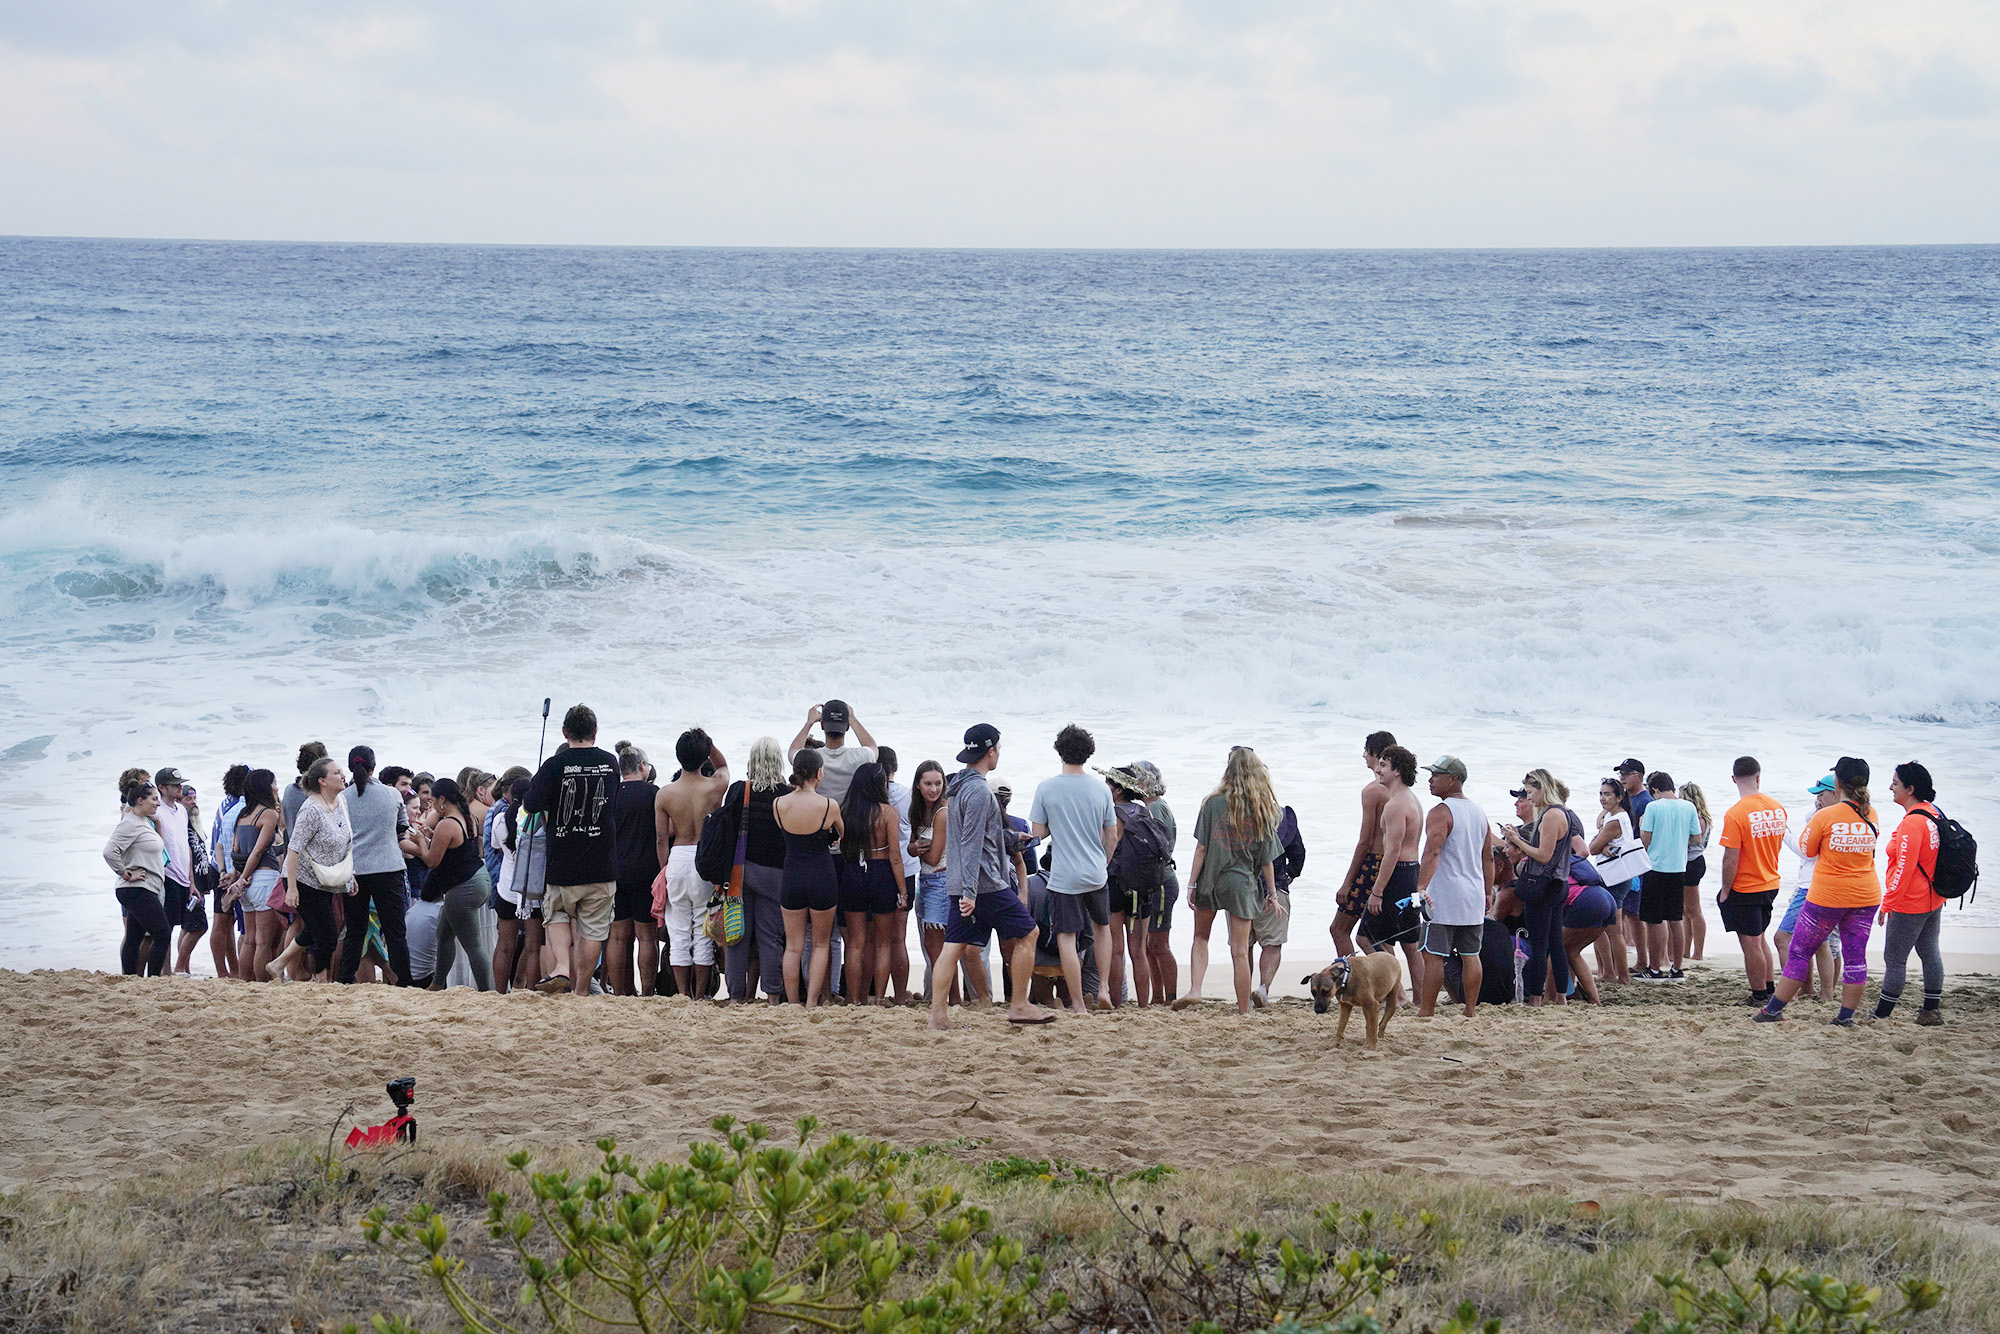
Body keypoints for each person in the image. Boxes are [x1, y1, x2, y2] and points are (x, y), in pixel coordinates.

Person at [928, 724, 1054, 1030]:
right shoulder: (980, 791)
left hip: (960, 881)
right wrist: (971, 892)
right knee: (1029, 933)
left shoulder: (957, 788)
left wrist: (1010, 839)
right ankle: (1020, 1005)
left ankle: (938, 1018)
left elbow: (977, 834)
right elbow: (971, 844)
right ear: (991, 751)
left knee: (953, 945)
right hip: (983, 884)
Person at [1757, 757, 1882, 1026]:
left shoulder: (1824, 815)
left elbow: (1808, 849)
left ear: (1837, 783)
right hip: (1866, 895)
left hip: (1828, 896)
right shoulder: (1871, 814)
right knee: (1855, 957)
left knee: (1800, 952)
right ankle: (1845, 1017)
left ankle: (1773, 1010)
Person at [523, 704, 622, 996]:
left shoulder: (555, 764)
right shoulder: (610, 762)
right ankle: (580, 990)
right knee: (592, 930)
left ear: (565, 732)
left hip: (563, 861)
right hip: (601, 861)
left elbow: (530, 804)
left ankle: (562, 968)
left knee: (556, 915)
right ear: (594, 732)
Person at [1179, 746, 1286, 1015]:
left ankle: (1196, 989)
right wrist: (1272, 894)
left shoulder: (1212, 803)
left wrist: (1191, 884)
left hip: (1211, 880)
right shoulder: (1262, 810)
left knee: (1201, 937)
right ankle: (1242, 1009)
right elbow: (1266, 860)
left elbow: (1201, 848)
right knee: (1240, 951)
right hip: (1242, 885)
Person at [1030, 724, 1120, 1015]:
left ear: (1060, 751)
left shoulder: (1046, 788)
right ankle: (1103, 988)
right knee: (1102, 928)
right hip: (1095, 872)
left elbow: (1039, 833)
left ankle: (1079, 1003)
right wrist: (1103, 863)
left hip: (1064, 875)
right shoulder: (1100, 789)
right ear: (1088, 752)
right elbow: (1112, 835)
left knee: (1066, 937)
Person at [653, 728, 729, 999]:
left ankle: (682, 993)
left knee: (678, 932)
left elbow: (662, 839)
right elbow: (722, 765)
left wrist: (664, 869)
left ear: (677, 756)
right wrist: (709, 742)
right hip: (704, 859)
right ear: (703, 755)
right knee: (703, 932)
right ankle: (700, 995)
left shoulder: (665, 794)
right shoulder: (714, 786)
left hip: (677, 859)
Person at [1415, 756, 1492, 1018]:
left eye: (1436, 775)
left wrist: (1421, 887)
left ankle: (1427, 1011)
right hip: (1472, 893)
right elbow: (1488, 857)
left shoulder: (1440, 812)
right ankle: (1470, 1010)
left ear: (1453, 780)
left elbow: (1432, 852)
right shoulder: (1479, 812)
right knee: (1471, 954)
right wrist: (1488, 891)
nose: (1430, 779)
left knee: (1433, 955)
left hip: (1444, 895)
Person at [1498, 769, 1581, 1005]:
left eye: (1531, 792)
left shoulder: (1552, 815)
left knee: (1541, 943)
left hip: (1544, 886)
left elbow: (1543, 856)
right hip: (1558, 884)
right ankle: (1561, 998)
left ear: (1542, 789)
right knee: (1555, 943)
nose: (1529, 798)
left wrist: (1516, 841)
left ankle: (1536, 998)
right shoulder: (1561, 813)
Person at [1876, 761, 1946, 1025]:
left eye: (1895, 783)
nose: (1891, 787)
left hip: (1910, 902)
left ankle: (1882, 1013)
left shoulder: (1912, 823)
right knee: (1929, 951)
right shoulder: (1934, 812)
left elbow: (1903, 869)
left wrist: (1887, 904)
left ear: (1911, 788)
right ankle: (1930, 1010)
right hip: (1934, 897)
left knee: (1894, 959)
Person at [411, 776, 494, 991]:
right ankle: (437, 984)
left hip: (463, 888)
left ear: (442, 800)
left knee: (473, 945)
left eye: (433, 802)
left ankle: (487, 992)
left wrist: (421, 841)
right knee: (444, 934)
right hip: (479, 879)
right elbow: (456, 850)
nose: (432, 808)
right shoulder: (468, 819)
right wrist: (430, 837)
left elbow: (431, 861)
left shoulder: (447, 823)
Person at [724, 737, 790, 1004]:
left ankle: (735, 997)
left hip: (741, 872)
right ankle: (773, 996)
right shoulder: (786, 795)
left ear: (751, 762)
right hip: (775, 874)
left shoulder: (740, 790)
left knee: (737, 935)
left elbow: (727, 830)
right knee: (770, 937)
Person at [1717, 756, 1788, 1007]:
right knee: (1759, 939)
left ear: (1734, 779)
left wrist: (1726, 890)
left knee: (1750, 944)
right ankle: (1768, 989)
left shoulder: (1737, 813)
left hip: (1746, 885)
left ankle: (1759, 995)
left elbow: (1730, 858)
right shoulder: (1777, 807)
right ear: (1758, 777)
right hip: (1770, 881)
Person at [339, 745, 412, 987]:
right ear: (373, 767)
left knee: (355, 931)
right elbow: (402, 827)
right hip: (388, 867)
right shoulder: (391, 795)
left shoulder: (341, 798)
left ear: (350, 767)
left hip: (354, 872)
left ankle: (345, 980)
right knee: (395, 933)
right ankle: (404, 982)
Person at [775, 748, 843, 1006]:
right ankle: (812, 1002)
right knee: (820, 944)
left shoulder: (779, 804)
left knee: (793, 946)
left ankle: (793, 1002)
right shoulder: (828, 805)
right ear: (818, 773)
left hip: (791, 875)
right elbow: (840, 835)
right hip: (822, 875)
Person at [1358, 746, 1426, 997]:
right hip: (1411, 873)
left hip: (1398, 875)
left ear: (1396, 771)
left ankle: (1396, 993)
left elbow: (1393, 852)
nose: (1377, 769)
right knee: (1410, 943)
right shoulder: (1412, 799)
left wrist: (1376, 892)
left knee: (1366, 937)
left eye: (1384, 765)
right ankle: (1418, 998)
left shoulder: (1396, 805)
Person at [1099, 765, 1169, 1008]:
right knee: (1138, 949)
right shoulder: (1145, 811)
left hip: (1117, 884)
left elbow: (1108, 848)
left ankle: (1117, 1003)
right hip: (1143, 887)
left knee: (1117, 950)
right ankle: (1143, 1005)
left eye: (1108, 785)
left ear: (1118, 790)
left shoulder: (1114, 814)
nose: (1105, 789)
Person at [283, 755, 354, 982]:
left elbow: (346, 842)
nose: (343, 775)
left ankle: (276, 965)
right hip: (303, 879)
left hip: (326, 878)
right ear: (322, 781)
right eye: (336, 773)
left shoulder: (340, 802)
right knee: (327, 935)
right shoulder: (311, 810)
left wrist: (350, 875)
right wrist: (292, 888)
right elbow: (292, 849)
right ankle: (321, 981)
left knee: (315, 928)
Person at [840, 761, 906, 1005]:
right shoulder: (888, 812)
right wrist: (903, 892)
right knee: (882, 942)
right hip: (881, 872)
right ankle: (878, 997)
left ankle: (854, 999)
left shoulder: (846, 810)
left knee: (856, 942)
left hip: (854, 870)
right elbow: (895, 856)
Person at [1774, 775, 1842, 1003]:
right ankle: (1821, 993)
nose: (1818, 800)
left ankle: (1791, 994)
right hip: (1825, 886)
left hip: (1812, 887)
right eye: (1816, 796)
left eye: (1821, 795)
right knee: (1822, 942)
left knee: (1783, 938)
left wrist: (1784, 832)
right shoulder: (1841, 818)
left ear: (1837, 792)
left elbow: (1807, 851)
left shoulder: (1825, 819)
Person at [1331, 731, 1396, 956]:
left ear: (1377, 754)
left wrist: (1347, 882)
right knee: (1380, 937)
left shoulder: (1372, 791)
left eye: (1367, 751)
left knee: (1339, 929)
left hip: (1372, 865)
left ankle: (1354, 983)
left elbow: (1365, 842)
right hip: (1395, 864)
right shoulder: (1400, 790)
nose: (1364, 756)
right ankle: (1394, 988)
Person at [607, 743, 662, 996]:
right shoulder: (653, 794)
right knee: (646, 937)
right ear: (642, 766)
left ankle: (620, 993)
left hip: (615, 872)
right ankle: (647, 992)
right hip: (646, 872)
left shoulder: (611, 793)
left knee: (618, 937)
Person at [224, 769, 286, 983]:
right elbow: (258, 851)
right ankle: (262, 983)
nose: (277, 788)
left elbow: (236, 851)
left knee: (249, 938)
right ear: (265, 787)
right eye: (274, 783)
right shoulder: (268, 814)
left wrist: (238, 877)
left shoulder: (242, 815)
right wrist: (243, 877)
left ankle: (245, 980)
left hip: (246, 882)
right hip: (263, 878)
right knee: (263, 941)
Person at [1637, 772, 1701, 981]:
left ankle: (1654, 969)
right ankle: (1677, 968)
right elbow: (1697, 837)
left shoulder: (1653, 807)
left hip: (1655, 867)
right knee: (1676, 918)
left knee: (1654, 921)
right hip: (1678, 867)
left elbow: (1645, 839)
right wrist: (1679, 842)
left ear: (1654, 789)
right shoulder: (1688, 806)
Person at [105, 778, 170, 976]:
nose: (158, 803)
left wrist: (157, 821)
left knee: (134, 937)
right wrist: (125, 873)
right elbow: (109, 852)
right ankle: (154, 979)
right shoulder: (130, 823)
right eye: (154, 799)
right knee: (163, 934)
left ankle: (130, 979)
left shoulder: (141, 821)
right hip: (136, 889)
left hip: (144, 888)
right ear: (140, 801)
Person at [1133, 760, 1180, 1005]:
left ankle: (1170, 997)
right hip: (1155, 880)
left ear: (1144, 782)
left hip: (1162, 881)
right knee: (1150, 944)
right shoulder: (1152, 806)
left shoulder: (1156, 808)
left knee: (1159, 944)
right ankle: (1158, 996)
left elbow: (1158, 846)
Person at [149, 767, 203, 975]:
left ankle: (173, 969)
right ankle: (166, 971)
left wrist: (191, 881)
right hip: (166, 875)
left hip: (183, 876)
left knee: (186, 924)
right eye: (175, 785)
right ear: (162, 788)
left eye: (180, 784)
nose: (180, 787)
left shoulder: (181, 810)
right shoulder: (156, 810)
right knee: (166, 928)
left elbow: (185, 845)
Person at [1250, 804, 1305, 1008]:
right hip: (1275, 887)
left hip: (1240, 886)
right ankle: (1263, 988)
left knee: (1242, 946)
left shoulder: (1234, 812)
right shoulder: (1283, 817)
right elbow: (1298, 852)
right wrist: (1290, 873)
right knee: (1272, 944)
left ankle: (1243, 990)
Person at [907, 759, 953, 1001]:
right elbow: (913, 848)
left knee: (937, 948)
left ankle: (945, 1000)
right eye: (928, 784)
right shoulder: (918, 810)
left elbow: (934, 857)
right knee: (934, 947)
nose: (933, 789)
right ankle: (950, 998)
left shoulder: (943, 812)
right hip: (925, 881)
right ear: (917, 785)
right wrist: (914, 849)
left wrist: (917, 849)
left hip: (941, 880)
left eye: (938, 783)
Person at [1586, 779, 1638, 985]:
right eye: (1600, 794)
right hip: (1619, 875)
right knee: (1607, 927)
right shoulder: (1620, 816)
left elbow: (1592, 847)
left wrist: (1601, 842)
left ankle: (1616, 974)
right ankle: (1611, 972)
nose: (1602, 798)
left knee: (1609, 928)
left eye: (1607, 794)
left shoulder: (1615, 821)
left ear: (1619, 797)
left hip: (1613, 877)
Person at [489, 776, 536, 993]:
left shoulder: (500, 819)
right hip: (533, 889)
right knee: (533, 947)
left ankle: (500, 992)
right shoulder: (538, 817)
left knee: (505, 945)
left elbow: (495, 845)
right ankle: (530, 989)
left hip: (507, 888)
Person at [878, 747, 917, 1004]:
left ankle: (875, 994)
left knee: (876, 938)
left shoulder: (868, 796)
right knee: (898, 937)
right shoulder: (908, 795)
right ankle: (901, 997)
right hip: (907, 866)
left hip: (877, 867)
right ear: (895, 768)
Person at [787, 700, 878, 805]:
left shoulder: (812, 759)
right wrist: (852, 718)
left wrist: (809, 722)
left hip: (820, 816)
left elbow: (793, 752)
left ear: (822, 725)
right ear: (847, 726)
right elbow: (873, 747)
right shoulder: (860, 756)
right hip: (850, 817)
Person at [1678, 781, 1714, 962]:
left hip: (1692, 863)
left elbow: (1689, 841)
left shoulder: (1698, 820)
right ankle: (1686, 950)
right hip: (1690, 862)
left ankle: (1698, 952)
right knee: (1685, 910)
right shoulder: (1699, 817)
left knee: (1693, 910)